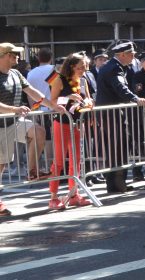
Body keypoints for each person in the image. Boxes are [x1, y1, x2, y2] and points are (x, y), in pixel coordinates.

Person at [1, 42, 60, 215]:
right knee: (1, 164)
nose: (17, 57)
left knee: (38, 131)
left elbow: (33, 92)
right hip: (1, 123)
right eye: (13, 54)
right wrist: (15, 109)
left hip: (14, 120)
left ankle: (32, 172)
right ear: (3, 56)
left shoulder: (16, 73)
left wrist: (53, 106)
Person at [94, 40, 145, 193]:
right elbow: (120, 87)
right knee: (117, 148)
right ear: (122, 54)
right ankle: (116, 184)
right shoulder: (114, 68)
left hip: (112, 113)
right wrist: (135, 98)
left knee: (119, 147)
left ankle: (117, 183)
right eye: (131, 54)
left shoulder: (117, 67)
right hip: (110, 114)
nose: (133, 57)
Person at [47, 52, 93, 210]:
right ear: (72, 66)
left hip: (78, 123)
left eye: (86, 68)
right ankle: (53, 197)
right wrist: (68, 98)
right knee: (59, 161)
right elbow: (52, 102)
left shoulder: (83, 80)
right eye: (81, 68)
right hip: (62, 123)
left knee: (77, 160)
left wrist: (88, 102)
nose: (84, 71)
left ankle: (74, 194)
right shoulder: (59, 80)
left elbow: (88, 98)